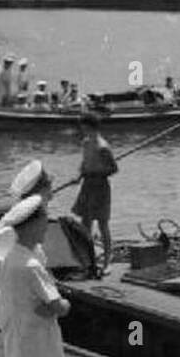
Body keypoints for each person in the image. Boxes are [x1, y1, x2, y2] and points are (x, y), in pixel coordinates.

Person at [0, 196, 69, 357]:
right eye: (45, 222)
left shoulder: (10, 256)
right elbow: (57, 305)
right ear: (32, 225)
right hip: (34, 334)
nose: (47, 227)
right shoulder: (31, 265)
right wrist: (65, 304)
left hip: (16, 327)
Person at [74, 112, 117, 273]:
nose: (81, 129)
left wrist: (96, 172)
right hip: (87, 185)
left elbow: (113, 168)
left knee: (102, 224)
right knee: (86, 224)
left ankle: (107, 262)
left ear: (89, 126)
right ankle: (87, 260)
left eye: (83, 126)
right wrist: (79, 176)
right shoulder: (85, 143)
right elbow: (84, 163)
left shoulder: (103, 147)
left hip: (100, 186)